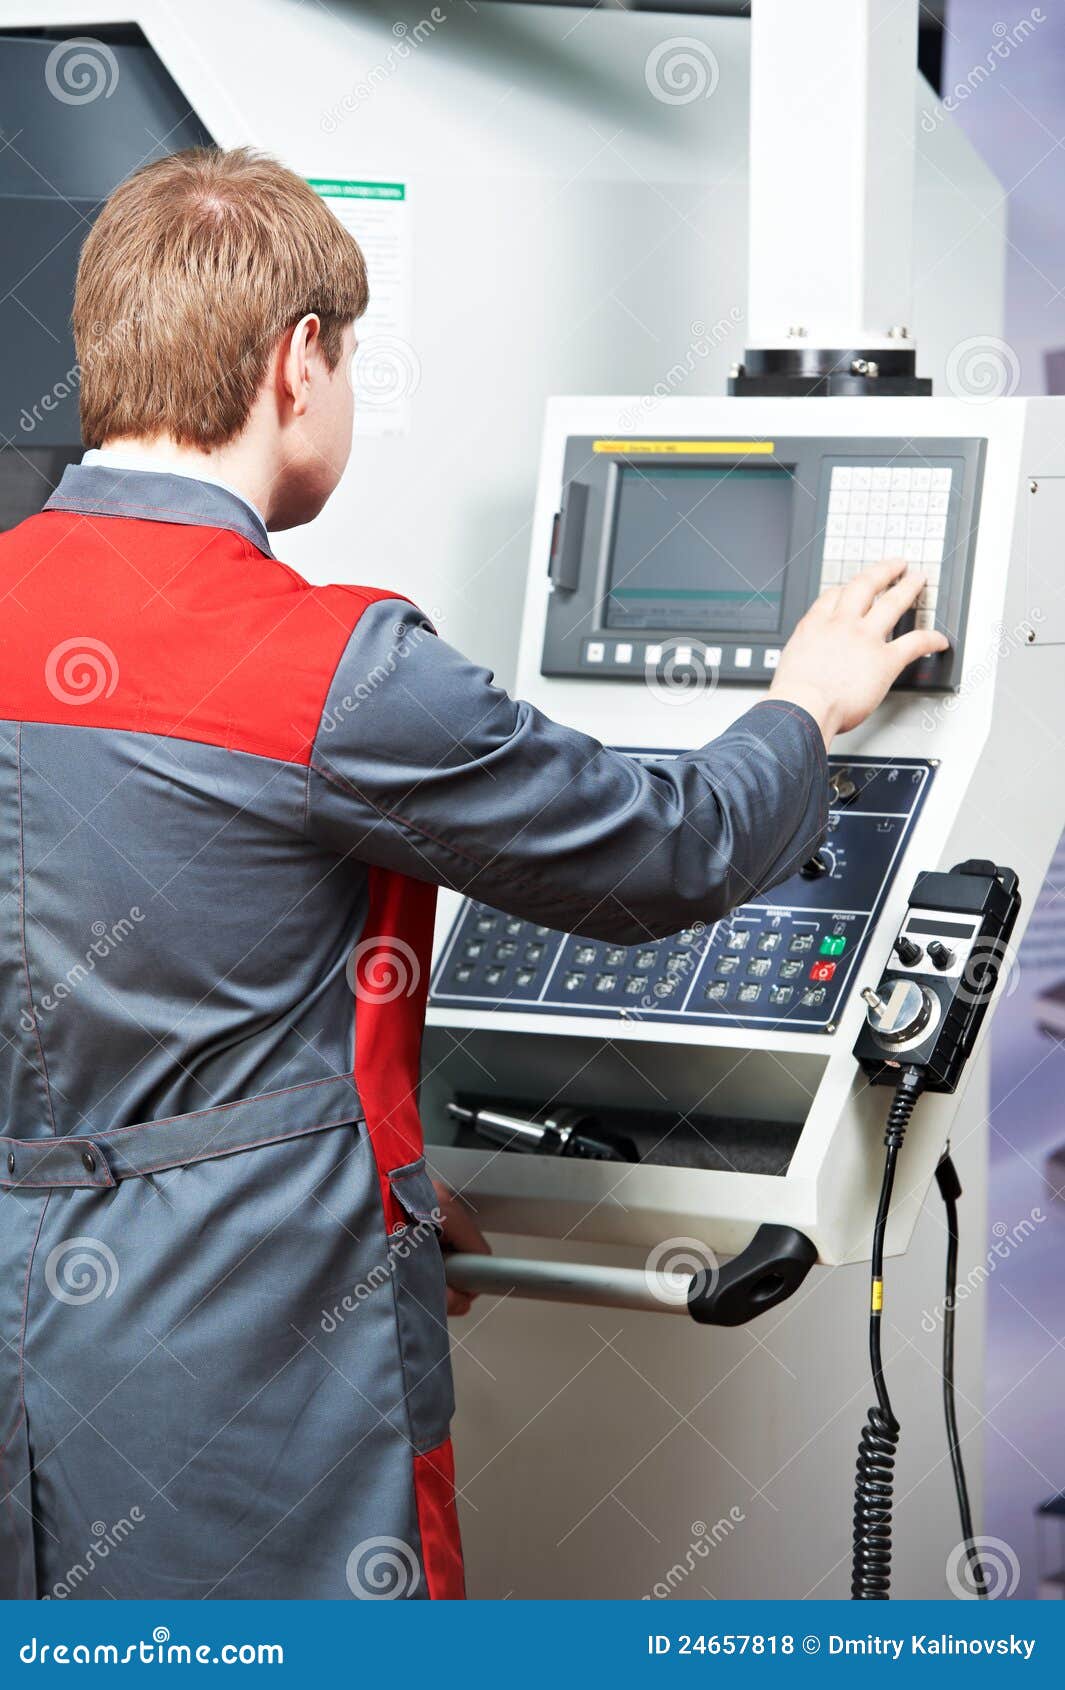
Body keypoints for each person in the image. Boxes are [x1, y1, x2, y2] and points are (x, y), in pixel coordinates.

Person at [0, 148, 947, 1603]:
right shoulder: (329, 662)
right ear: (298, 360)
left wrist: (362, 1167)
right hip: (243, 1356)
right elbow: (666, 846)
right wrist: (804, 710)